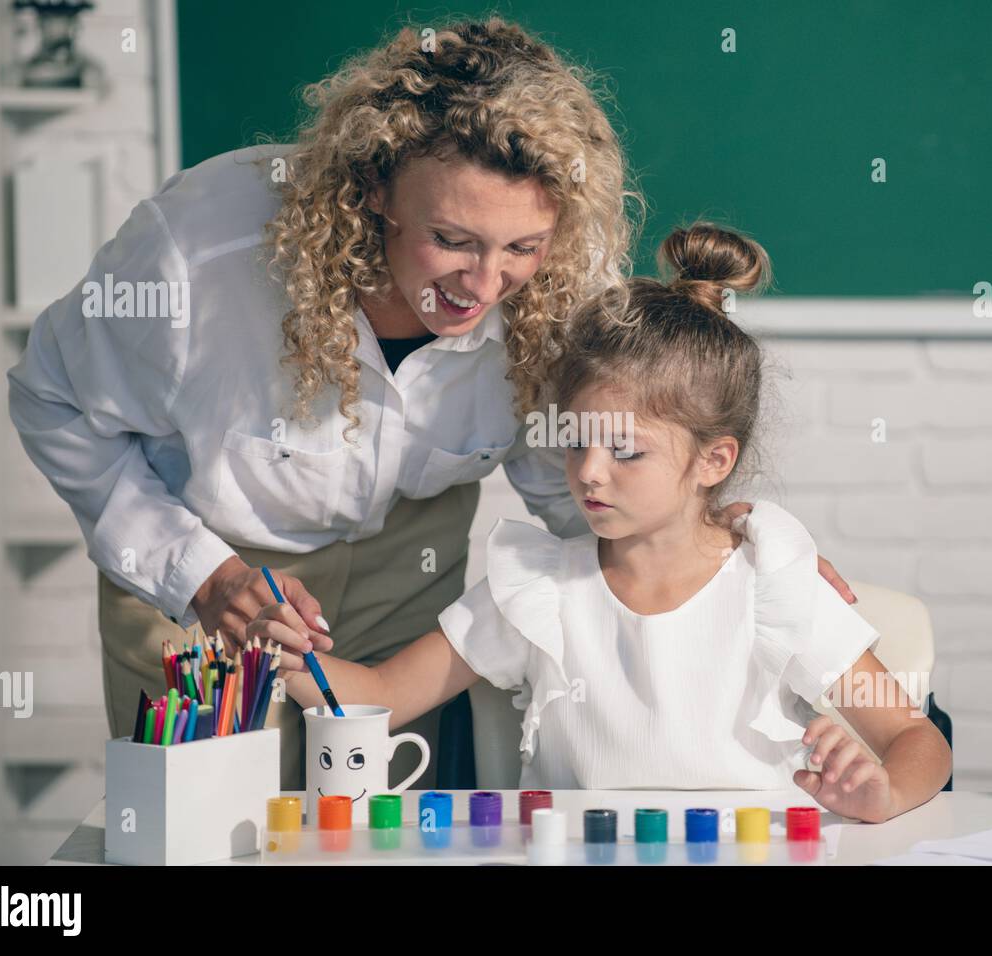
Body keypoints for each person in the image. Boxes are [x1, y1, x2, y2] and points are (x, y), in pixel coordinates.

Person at [250, 223, 951, 821]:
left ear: (714, 460)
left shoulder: (775, 584)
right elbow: (380, 695)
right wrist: (281, 651)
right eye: (576, 439)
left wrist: (884, 791)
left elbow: (919, 742)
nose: (588, 471)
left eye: (625, 451)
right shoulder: (538, 586)